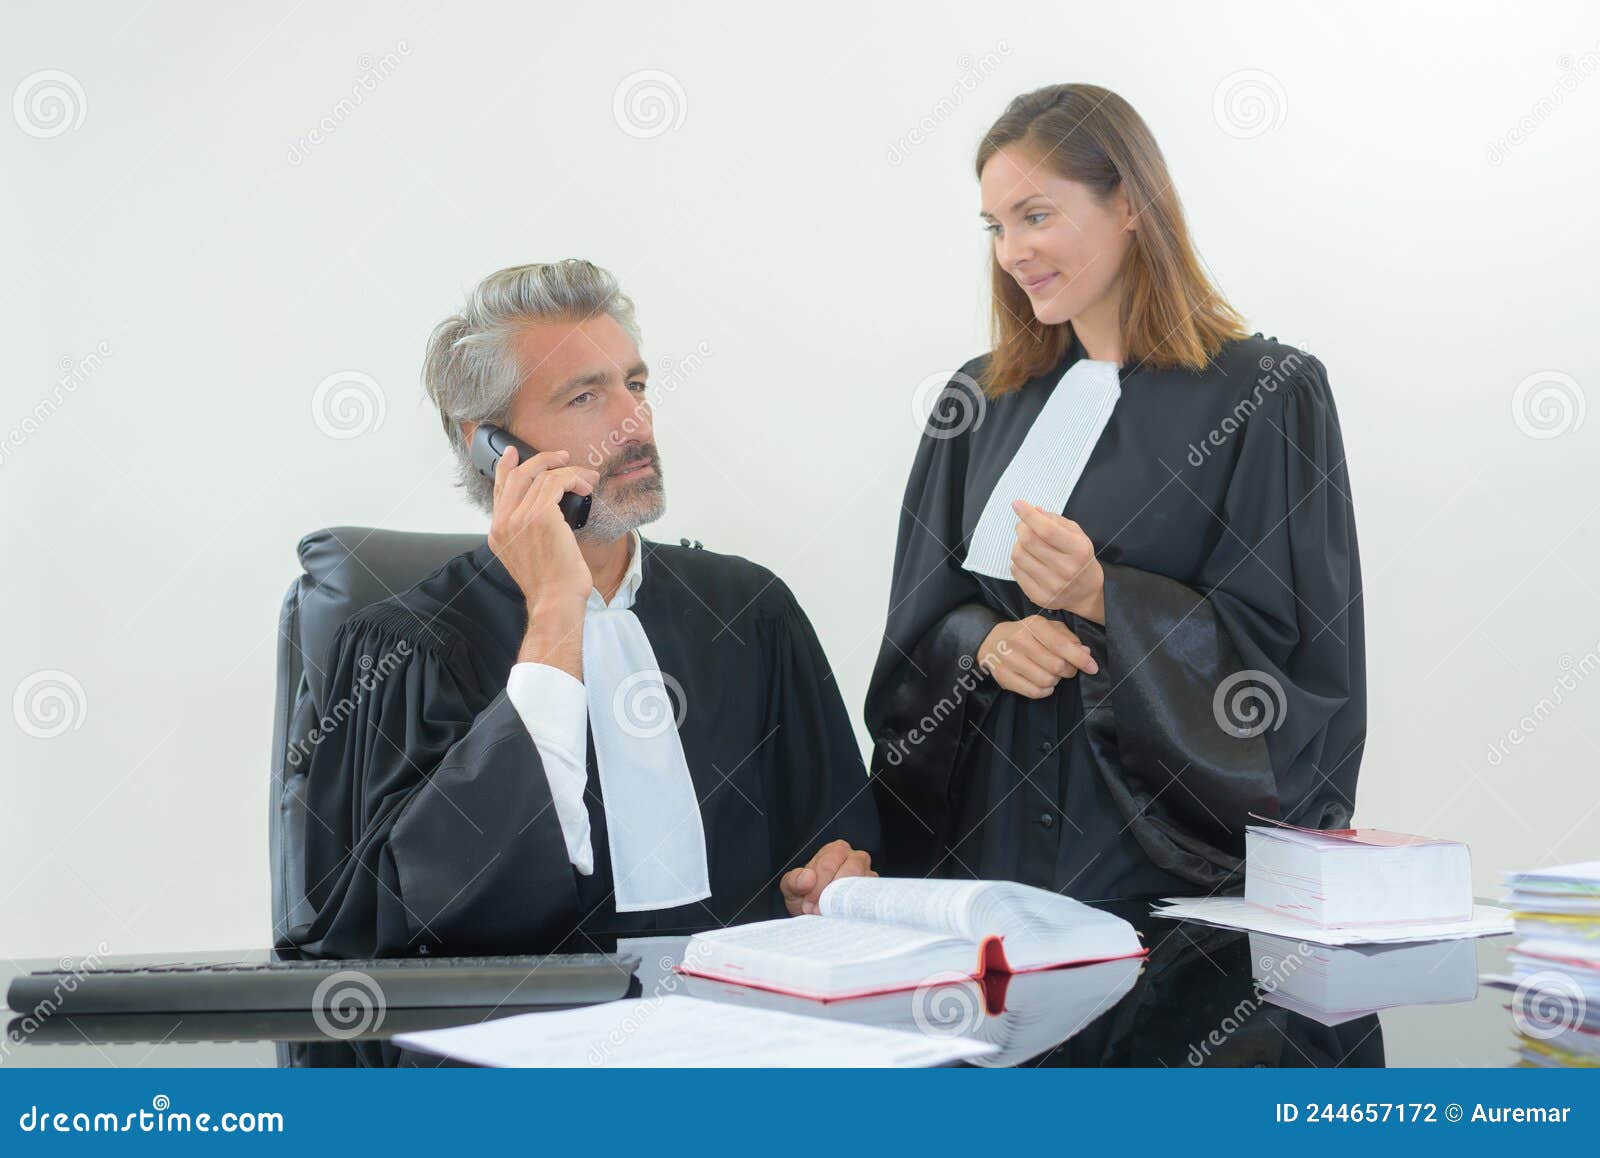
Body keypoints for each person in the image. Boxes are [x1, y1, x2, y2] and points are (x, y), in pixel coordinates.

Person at [284, 259, 878, 956]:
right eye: (584, 398)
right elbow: (405, 922)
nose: (635, 421)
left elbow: (843, 840)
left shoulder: (750, 613)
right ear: (491, 447)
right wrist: (557, 609)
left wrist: (840, 876)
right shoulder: (405, 649)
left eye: (635, 384)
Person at [866, 84, 1364, 898]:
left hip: (1154, 869)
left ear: (1129, 204)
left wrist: (1105, 598)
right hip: (985, 859)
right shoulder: (977, 402)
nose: (1011, 252)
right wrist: (985, 645)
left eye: (1035, 216)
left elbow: (1298, 665)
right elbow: (915, 637)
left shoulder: (1267, 394)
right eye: (996, 227)